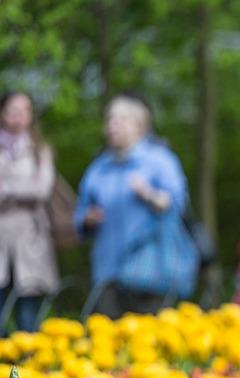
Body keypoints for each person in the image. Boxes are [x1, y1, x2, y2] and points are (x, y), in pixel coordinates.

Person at [74, 93, 197, 317]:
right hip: (107, 272)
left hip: (150, 273)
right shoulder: (98, 168)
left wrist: (148, 194)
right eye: (109, 120)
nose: (112, 126)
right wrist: (87, 219)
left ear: (140, 125)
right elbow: (80, 214)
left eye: (121, 120)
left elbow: (177, 204)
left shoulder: (160, 160)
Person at [0, 91, 59, 333]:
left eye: (25, 110)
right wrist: (25, 188)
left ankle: (23, 371)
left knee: (28, 314)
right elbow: (34, 189)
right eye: (14, 110)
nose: (19, 116)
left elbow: (43, 189)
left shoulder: (39, 149)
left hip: (30, 239)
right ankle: (4, 370)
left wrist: (7, 188)